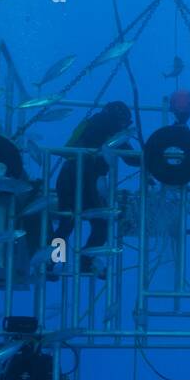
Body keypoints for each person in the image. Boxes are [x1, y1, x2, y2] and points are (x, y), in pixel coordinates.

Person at [51, 100, 137, 275]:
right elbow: (131, 159)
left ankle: (51, 262)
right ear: (119, 119)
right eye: (124, 122)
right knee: (101, 224)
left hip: (67, 176)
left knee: (66, 224)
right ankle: (86, 261)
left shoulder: (90, 123)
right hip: (87, 179)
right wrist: (150, 159)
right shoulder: (112, 128)